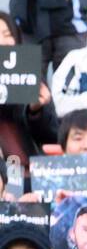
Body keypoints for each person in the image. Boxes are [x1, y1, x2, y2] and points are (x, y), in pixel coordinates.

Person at [0, 10, 58, 169]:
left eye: (7, 34)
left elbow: (52, 136)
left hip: (26, 171)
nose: (3, 41)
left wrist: (36, 111)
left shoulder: (30, 74)